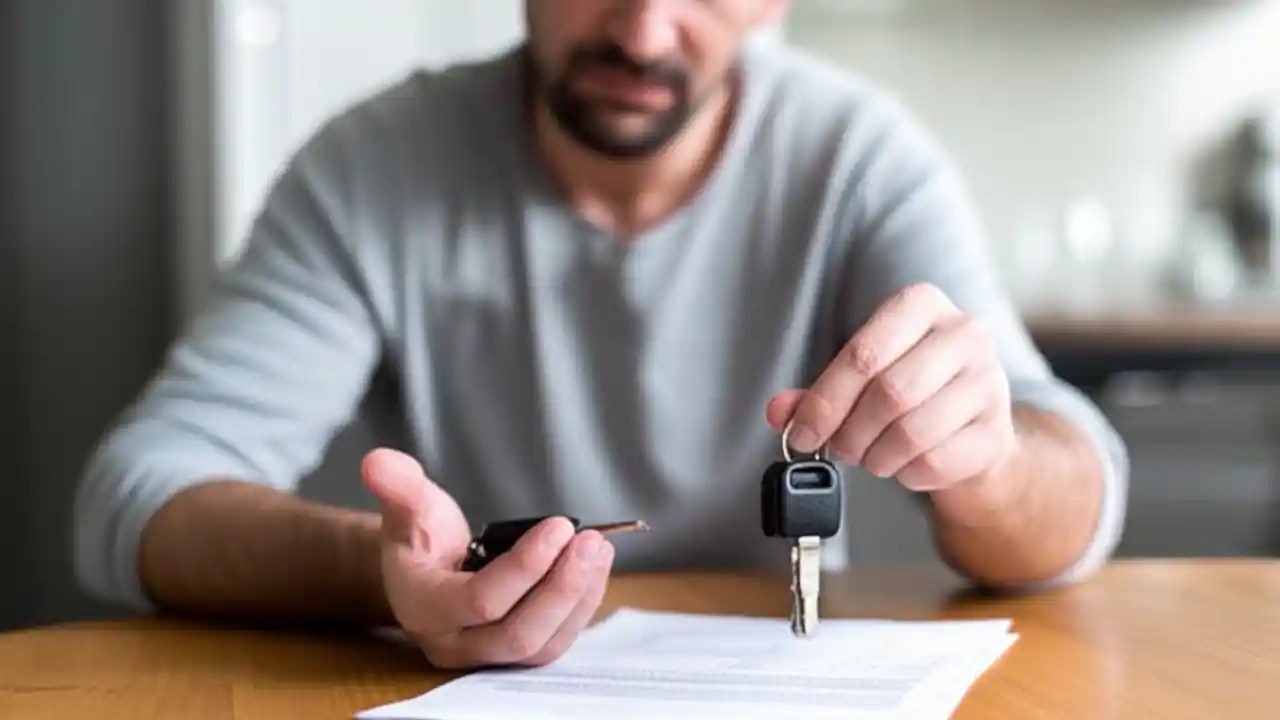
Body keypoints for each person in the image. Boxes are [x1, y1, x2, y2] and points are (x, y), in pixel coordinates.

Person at [74, 0, 1127, 669]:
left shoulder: (860, 161)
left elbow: (1079, 497)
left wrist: (986, 465)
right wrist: (380, 576)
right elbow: (137, 493)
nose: (643, 30)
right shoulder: (372, 169)